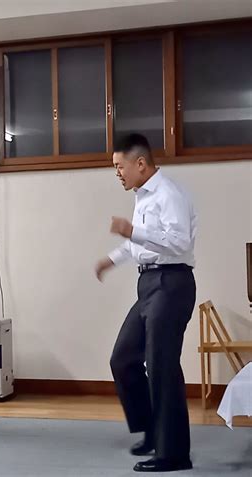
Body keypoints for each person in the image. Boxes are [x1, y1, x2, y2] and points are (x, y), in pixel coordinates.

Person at [95, 134, 197, 473]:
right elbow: (139, 244)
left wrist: (131, 231)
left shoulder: (168, 193)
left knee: (161, 365)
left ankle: (174, 454)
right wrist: (110, 260)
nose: (117, 173)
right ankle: (153, 431)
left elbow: (179, 243)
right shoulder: (143, 195)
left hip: (171, 283)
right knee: (123, 358)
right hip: (150, 285)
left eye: (119, 166)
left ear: (140, 163)